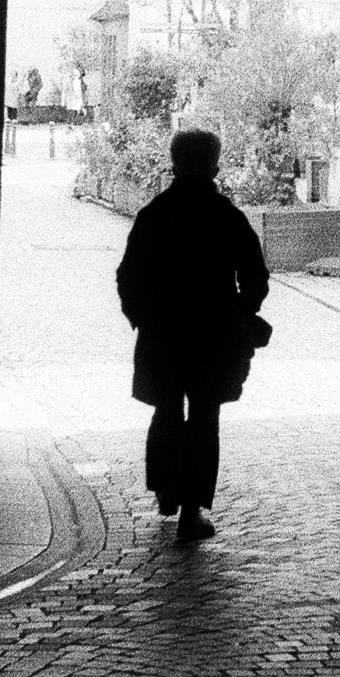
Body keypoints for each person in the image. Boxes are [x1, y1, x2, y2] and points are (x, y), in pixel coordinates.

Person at [114, 126, 269, 544]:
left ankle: (165, 489)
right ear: (215, 166)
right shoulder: (227, 217)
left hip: (163, 335)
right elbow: (255, 277)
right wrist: (242, 312)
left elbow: (128, 277)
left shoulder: (154, 214)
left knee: (166, 411)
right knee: (205, 419)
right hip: (213, 338)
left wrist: (142, 318)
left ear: (173, 163)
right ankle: (190, 512)